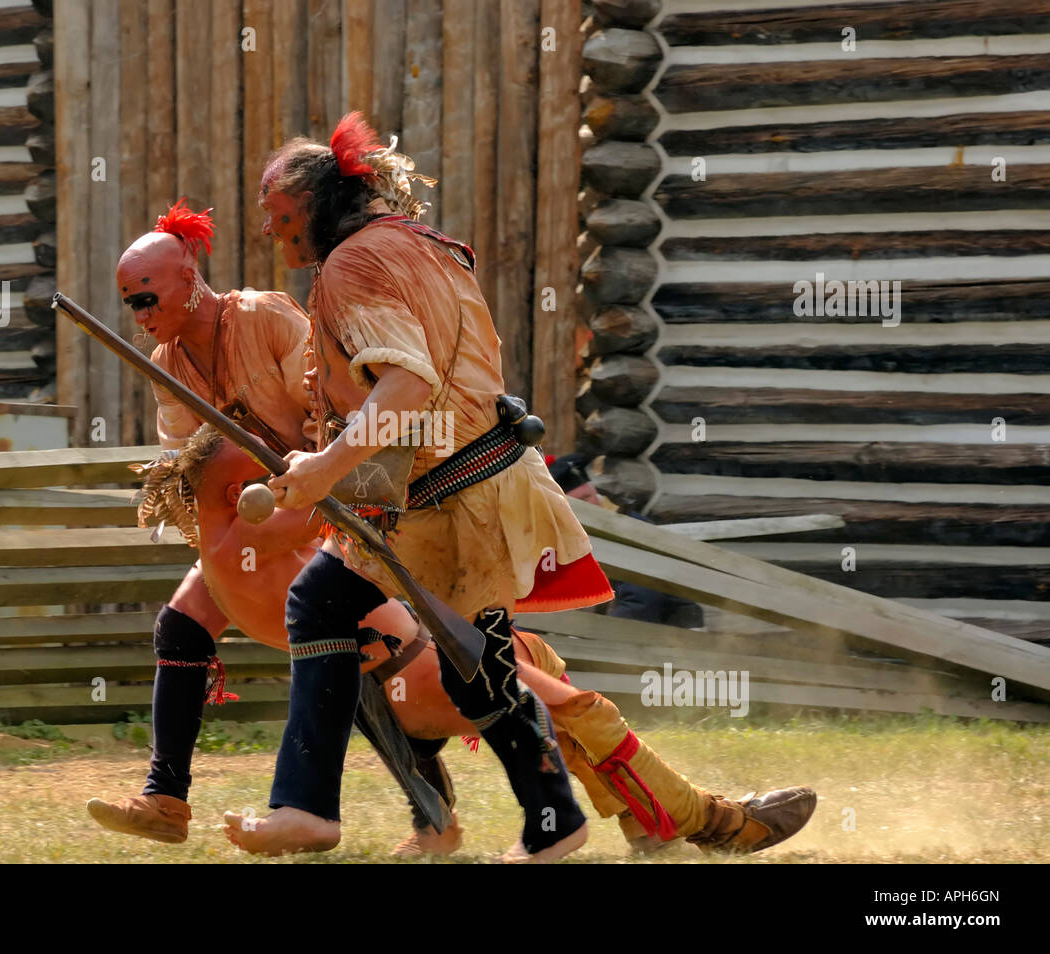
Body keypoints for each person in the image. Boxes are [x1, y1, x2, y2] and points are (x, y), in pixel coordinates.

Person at [224, 113, 817, 861]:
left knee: (442, 649)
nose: (273, 235)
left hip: (453, 502)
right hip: (471, 487)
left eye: (280, 216)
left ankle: (322, 809)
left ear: (314, 204)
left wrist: (324, 469)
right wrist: (331, 468)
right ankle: (587, 819)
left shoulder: (351, 266)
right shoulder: (419, 244)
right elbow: (426, 397)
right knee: (475, 665)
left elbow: (407, 385)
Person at [85, 199, 316, 844]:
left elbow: (329, 412)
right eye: (131, 305)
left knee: (367, 658)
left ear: (188, 277)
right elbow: (188, 463)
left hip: (325, 508)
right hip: (249, 525)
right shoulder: (167, 365)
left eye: (147, 299)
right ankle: (165, 802)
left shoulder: (268, 318)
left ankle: (430, 814)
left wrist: (300, 489)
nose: (140, 316)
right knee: (182, 628)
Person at [547, 452, 705, 628]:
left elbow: (641, 601)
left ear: (595, 493)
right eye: (578, 504)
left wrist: (598, 637)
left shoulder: (630, 529)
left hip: (674, 630)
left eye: (587, 497)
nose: (588, 507)